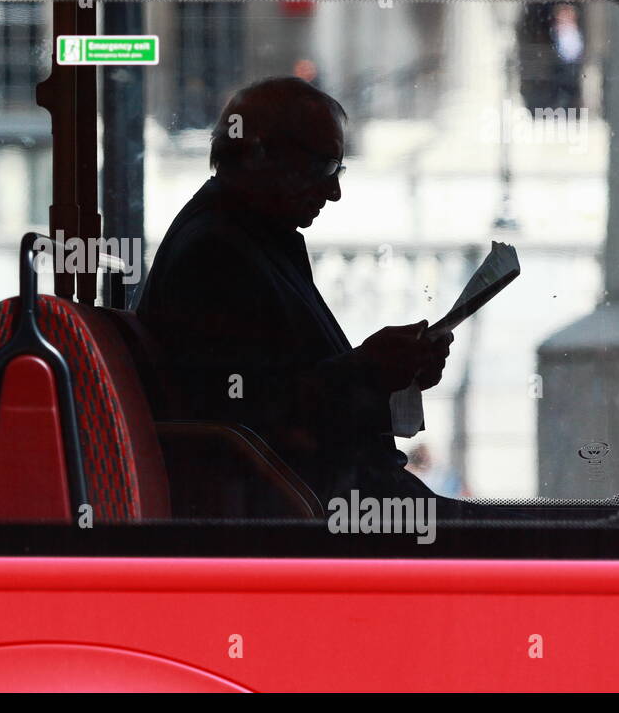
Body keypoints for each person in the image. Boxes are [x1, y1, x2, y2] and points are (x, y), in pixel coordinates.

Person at [135, 76, 471, 513]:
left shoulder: (249, 238)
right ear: (259, 154)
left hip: (334, 499)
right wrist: (370, 369)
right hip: (320, 513)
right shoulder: (217, 255)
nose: (334, 192)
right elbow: (252, 414)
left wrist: (392, 373)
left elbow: (283, 395)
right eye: (325, 168)